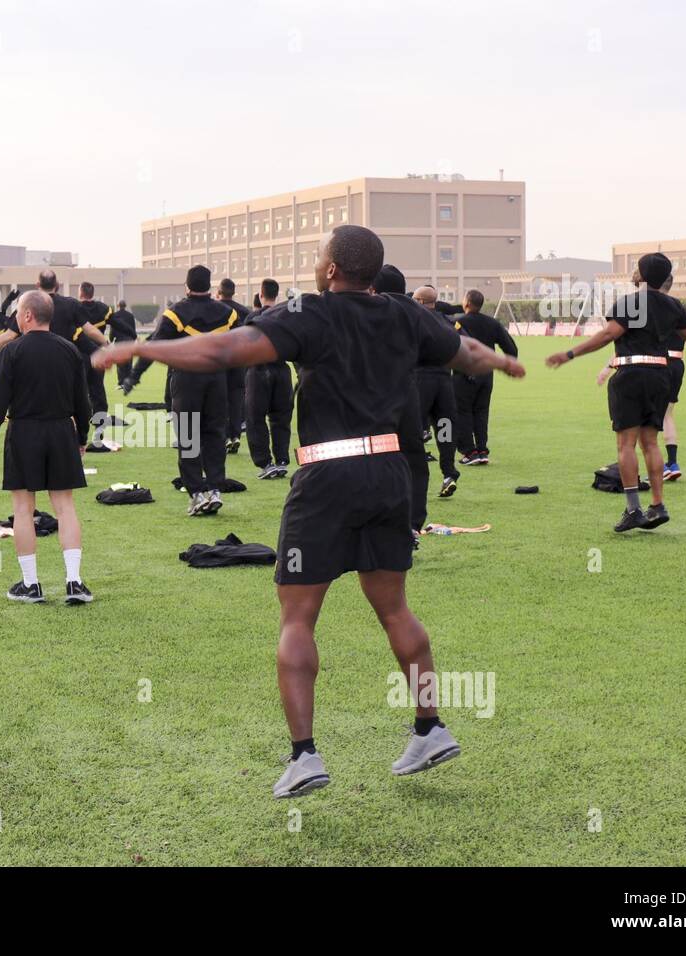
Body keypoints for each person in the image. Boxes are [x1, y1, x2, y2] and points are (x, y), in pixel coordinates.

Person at [94, 226, 525, 796]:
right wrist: (502, 362)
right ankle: (430, 727)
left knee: (298, 619)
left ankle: (304, 756)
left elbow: (224, 349)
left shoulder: (314, 313)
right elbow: (467, 353)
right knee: (395, 608)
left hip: (328, 476)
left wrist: (140, 348)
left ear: (329, 270)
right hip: (391, 474)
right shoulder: (404, 313)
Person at [548, 252, 686, 531]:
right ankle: (657, 505)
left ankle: (633, 510)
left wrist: (569, 354)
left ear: (641, 275)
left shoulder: (630, 303)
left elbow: (607, 336)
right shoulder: (674, 305)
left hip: (630, 376)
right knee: (651, 443)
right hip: (660, 377)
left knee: (625, 445)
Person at [0, 290, 93, 605]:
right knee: (65, 508)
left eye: (17, 312)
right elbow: (83, 402)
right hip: (60, 431)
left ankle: (31, 585)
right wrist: (82, 436)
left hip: (24, 432)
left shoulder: (11, 352)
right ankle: (74, 582)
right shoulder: (69, 350)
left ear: (27, 315)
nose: (15, 316)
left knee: (22, 510)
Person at [123, 266, 240, 515]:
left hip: (187, 380)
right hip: (217, 380)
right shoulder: (227, 313)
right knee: (215, 434)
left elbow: (153, 346)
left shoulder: (177, 313)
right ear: (210, 287)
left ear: (187, 286)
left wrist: (135, 375)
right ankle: (215, 489)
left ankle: (197, 493)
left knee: (188, 436)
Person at [596, 275, 686, 481]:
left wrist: (607, 367)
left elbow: (632, 345)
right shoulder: (677, 309)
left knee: (642, 426)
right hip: (677, 365)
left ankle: (650, 467)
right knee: (667, 415)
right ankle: (672, 462)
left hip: (655, 365)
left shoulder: (646, 310)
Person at [372, 266, 430, 542]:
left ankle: (375, 523)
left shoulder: (365, 311)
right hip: (407, 392)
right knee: (413, 457)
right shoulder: (417, 314)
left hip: (372, 395)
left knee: (373, 457)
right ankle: (412, 524)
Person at [0, 270, 109, 365]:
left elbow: (8, 335)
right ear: (57, 285)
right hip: (62, 363)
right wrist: (107, 344)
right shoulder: (71, 305)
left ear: (38, 285)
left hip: (32, 363)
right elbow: (89, 330)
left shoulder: (26, 305)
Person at [452, 289, 518, 466]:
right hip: (486, 375)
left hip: (464, 374)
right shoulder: (493, 323)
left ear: (466, 302)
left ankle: (469, 452)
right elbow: (511, 348)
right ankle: (482, 449)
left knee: (463, 411)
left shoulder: (457, 322)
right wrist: (509, 365)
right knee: (481, 412)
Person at [411, 285, 460, 498]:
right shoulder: (448, 322)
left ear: (420, 302)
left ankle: (413, 478)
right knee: (445, 428)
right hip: (445, 383)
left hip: (421, 381)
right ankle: (449, 473)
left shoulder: (414, 319)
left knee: (412, 430)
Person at [243, 278, 293, 480]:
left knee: (255, 418)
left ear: (261, 294)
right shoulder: (285, 315)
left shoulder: (253, 317)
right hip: (282, 370)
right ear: (277, 294)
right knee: (281, 417)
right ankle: (281, 459)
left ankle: (265, 462)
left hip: (259, 370)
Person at [74, 281, 114, 442]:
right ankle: (99, 428)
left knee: (78, 393)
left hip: (79, 355)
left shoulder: (75, 308)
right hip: (99, 354)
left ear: (81, 292)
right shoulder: (104, 309)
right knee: (97, 390)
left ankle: (80, 431)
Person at [216, 277, 251, 454]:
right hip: (238, 361)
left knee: (218, 400)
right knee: (236, 399)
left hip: (219, 362)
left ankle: (223, 436)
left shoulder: (214, 310)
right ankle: (235, 435)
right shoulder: (244, 312)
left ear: (218, 291)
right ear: (234, 292)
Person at [108, 300, 137, 388]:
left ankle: (121, 382)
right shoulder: (130, 316)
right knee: (129, 362)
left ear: (118, 305)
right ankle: (129, 381)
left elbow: (112, 329)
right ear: (125, 306)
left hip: (119, 341)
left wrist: (111, 338)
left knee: (120, 363)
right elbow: (133, 328)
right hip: (129, 341)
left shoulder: (115, 316)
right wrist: (134, 338)